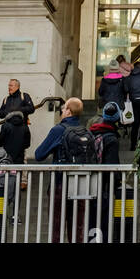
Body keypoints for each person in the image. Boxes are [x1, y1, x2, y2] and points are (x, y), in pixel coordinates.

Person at [34, 98, 92, 245]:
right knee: (78, 228)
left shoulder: (58, 130)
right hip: (81, 185)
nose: (61, 110)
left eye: (64, 108)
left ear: (68, 111)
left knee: (57, 227)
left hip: (60, 183)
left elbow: (39, 155)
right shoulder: (85, 131)